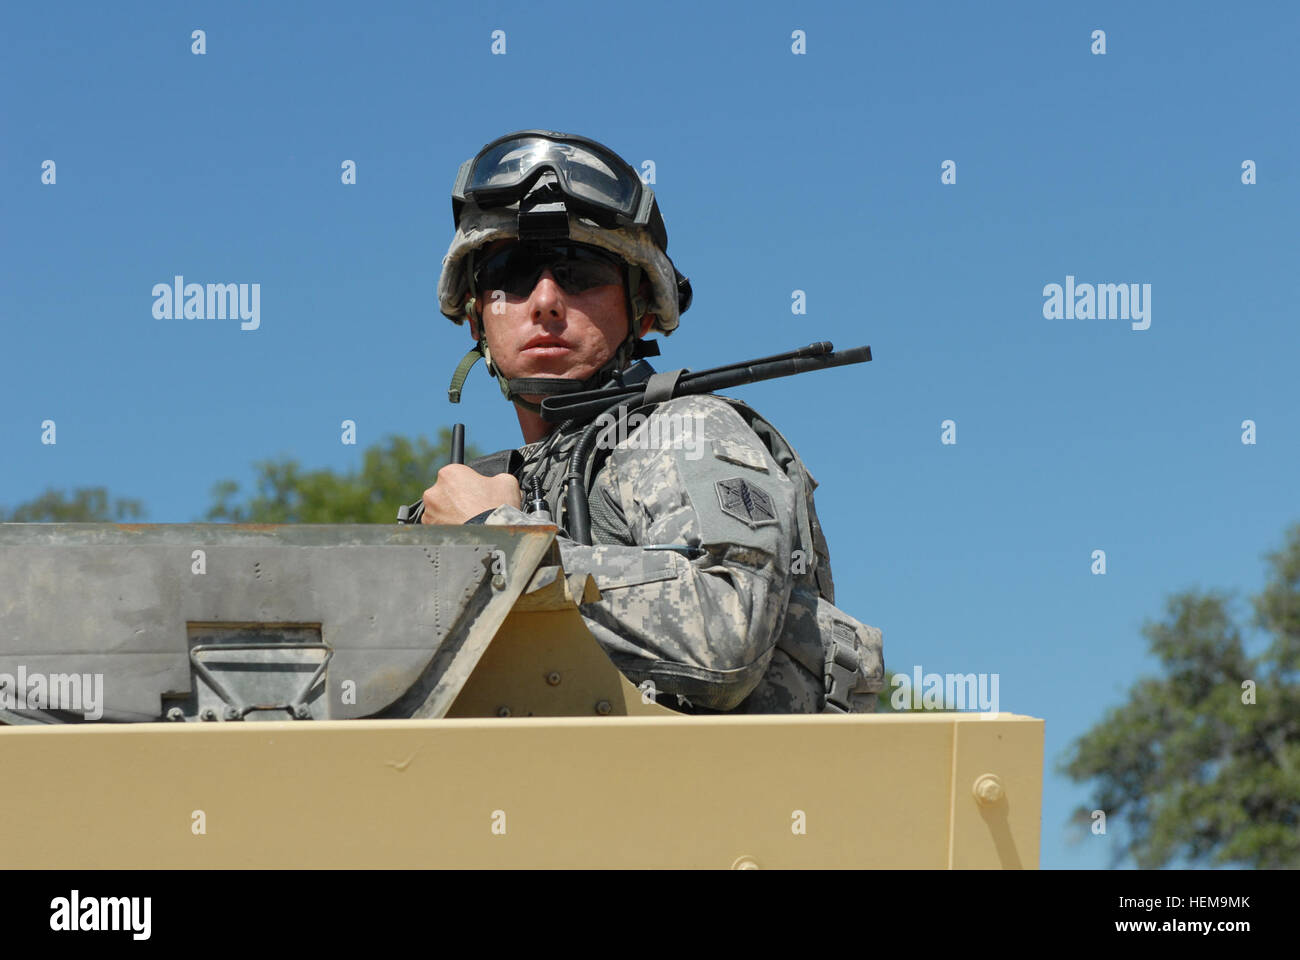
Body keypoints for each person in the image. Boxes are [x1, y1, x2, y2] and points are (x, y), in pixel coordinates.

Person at [401, 130, 883, 714]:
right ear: (477, 317)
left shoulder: (685, 432)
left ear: (644, 311)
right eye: (514, 272)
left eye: (581, 274)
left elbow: (724, 639)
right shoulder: (494, 487)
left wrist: (498, 541)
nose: (546, 300)